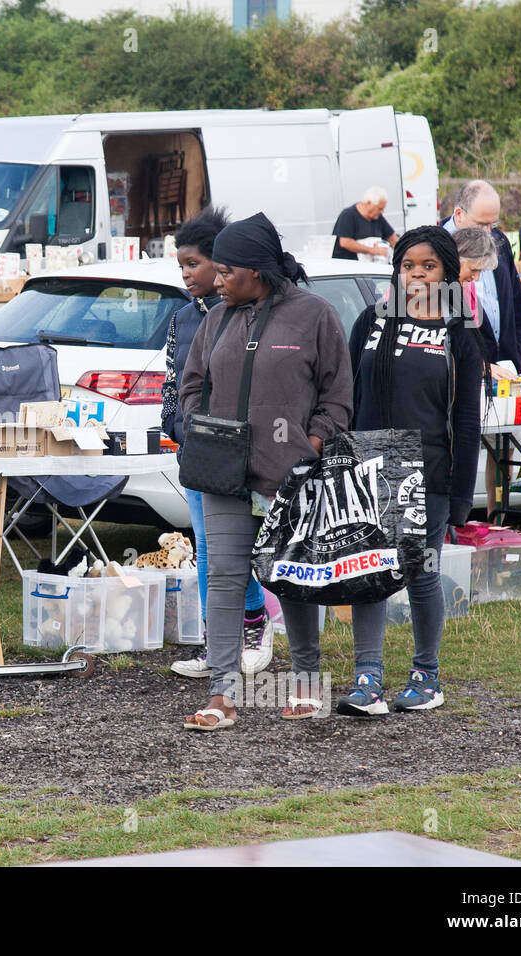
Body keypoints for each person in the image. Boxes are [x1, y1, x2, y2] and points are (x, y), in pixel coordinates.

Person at [178, 212, 353, 730]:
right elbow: (191, 385)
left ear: (256, 271)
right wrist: (202, 430)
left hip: (290, 475)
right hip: (223, 476)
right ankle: (222, 695)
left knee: (293, 577)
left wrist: (310, 445)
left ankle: (306, 681)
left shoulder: (315, 315)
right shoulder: (216, 319)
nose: (217, 279)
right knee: (226, 579)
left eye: (227, 271)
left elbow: (338, 396)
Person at [339, 226, 483, 716]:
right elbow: (349, 395)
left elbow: (466, 419)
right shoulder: (370, 321)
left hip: (429, 473)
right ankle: (367, 679)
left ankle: (427, 677)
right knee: (369, 573)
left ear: (446, 273)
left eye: (428, 266)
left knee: (421, 574)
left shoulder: (460, 334)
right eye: (407, 265)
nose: (417, 274)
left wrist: (461, 493)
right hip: (369, 464)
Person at [161, 207, 271, 681]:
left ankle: (254, 624)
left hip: (243, 456)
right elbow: (172, 387)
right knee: (206, 548)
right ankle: (216, 641)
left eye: (194, 264)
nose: (186, 274)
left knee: (235, 549)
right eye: (180, 265)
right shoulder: (182, 319)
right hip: (197, 455)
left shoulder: (248, 316)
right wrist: (185, 433)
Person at [441, 179, 521, 377]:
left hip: (503, 366)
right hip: (462, 373)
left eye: (493, 224)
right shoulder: (434, 250)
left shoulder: (499, 241)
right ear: (459, 214)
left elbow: (515, 297)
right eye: (481, 224)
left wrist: (517, 350)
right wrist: (478, 365)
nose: (488, 232)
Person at [331, 186, 398, 261]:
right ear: (369, 203)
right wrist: (373, 250)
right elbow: (345, 242)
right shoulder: (348, 215)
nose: (382, 212)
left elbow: (392, 239)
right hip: (349, 265)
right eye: (380, 208)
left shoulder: (377, 217)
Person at [453, 226, 499, 326]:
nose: (476, 278)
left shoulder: (469, 289)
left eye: (480, 271)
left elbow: (472, 330)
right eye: (473, 270)